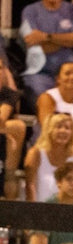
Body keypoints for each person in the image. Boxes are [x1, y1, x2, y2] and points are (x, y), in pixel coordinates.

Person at [24, 112, 73, 204]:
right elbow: (30, 185)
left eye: (67, 128)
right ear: (49, 130)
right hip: (40, 209)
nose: (63, 131)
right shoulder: (36, 153)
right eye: (58, 127)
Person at [34, 62, 73, 136]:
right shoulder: (47, 97)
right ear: (58, 79)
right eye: (67, 74)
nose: (72, 77)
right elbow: (46, 126)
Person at [0, 53, 27, 200]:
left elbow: (1, 119)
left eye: (0, 68)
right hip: (5, 135)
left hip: (4, 144)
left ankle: (10, 218)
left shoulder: (9, 94)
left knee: (18, 126)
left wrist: (4, 129)